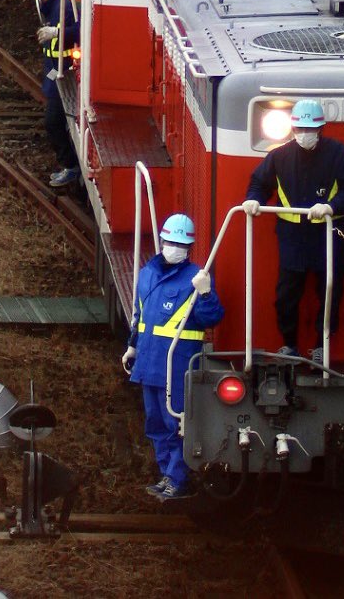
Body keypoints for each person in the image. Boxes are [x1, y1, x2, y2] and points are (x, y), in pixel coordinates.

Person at [243, 100, 344, 365]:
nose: (304, 133)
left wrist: (332, 206)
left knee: (329, 294)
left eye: (310, 128)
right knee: (285, 297)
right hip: (293, 239)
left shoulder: (339, 154)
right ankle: (289, 346)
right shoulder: (280, 156)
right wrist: (253, 199)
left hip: (331, 238)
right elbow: (259, 182)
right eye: (299, 128)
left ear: (321, 128)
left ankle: (322, 346)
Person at [122, 213, 224, 501]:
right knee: (156, 424)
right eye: (171, 242)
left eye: (181, 243)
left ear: (189, 247)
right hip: (148, 364)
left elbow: (211, 317)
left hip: (176, 366)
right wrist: (132, 346)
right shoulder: (147, 274)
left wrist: (205, 294)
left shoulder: (197, 279)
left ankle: (178, 479)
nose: (174, 247)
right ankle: (168, 475)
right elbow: (140, 316)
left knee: (176, 424)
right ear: (163, 240)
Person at [30, 0, 80, 189]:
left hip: (65, 73)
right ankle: (69, 164)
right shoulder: (53, 7)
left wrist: (57, 33)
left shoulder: (64, 8)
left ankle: (71, 166)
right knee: (55, 119)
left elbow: (80, 30)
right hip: (54, 71)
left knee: (53, 122)